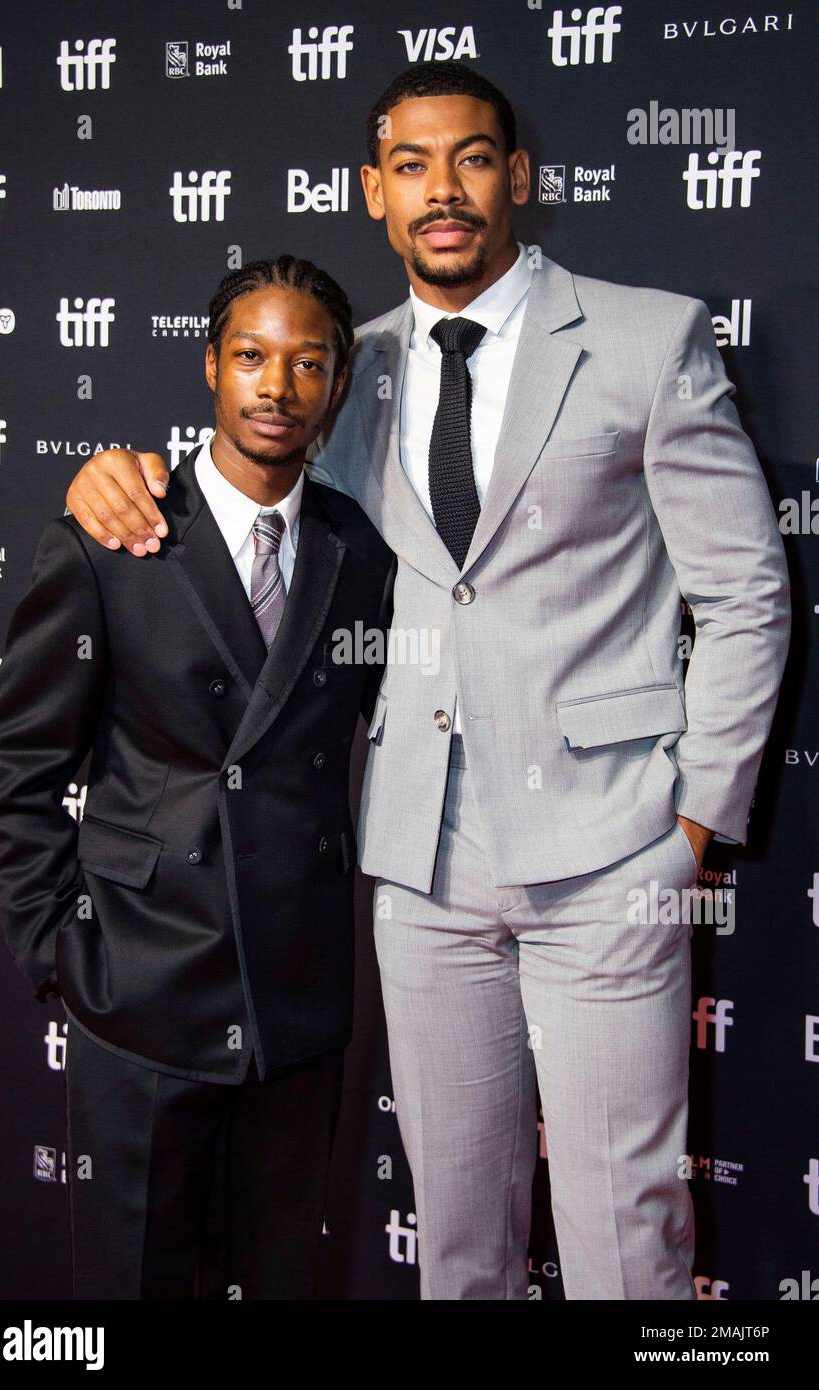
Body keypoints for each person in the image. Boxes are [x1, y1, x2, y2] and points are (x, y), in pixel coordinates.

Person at [61, 64, 791, 1300]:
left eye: (467, 159)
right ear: (374, 192)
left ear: (517, 178)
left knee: (628, 1239)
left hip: (611, 855)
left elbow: (744, 593)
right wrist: (109, 477)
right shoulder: (350, 372)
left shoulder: (643, 337)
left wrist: (689, 827)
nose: (440, 190)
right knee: (456, 1243)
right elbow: (236, 477)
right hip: (419, 869)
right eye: (409, 164)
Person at [0, 256, 395, 1300]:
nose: (276, 386)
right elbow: (22, 770)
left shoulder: (362, 556)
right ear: (211, 365)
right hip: (143, 996)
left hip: (296, 1008)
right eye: (251, 356)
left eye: (308, 363)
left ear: (337, 387)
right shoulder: (112, 535)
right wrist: (65, 957)